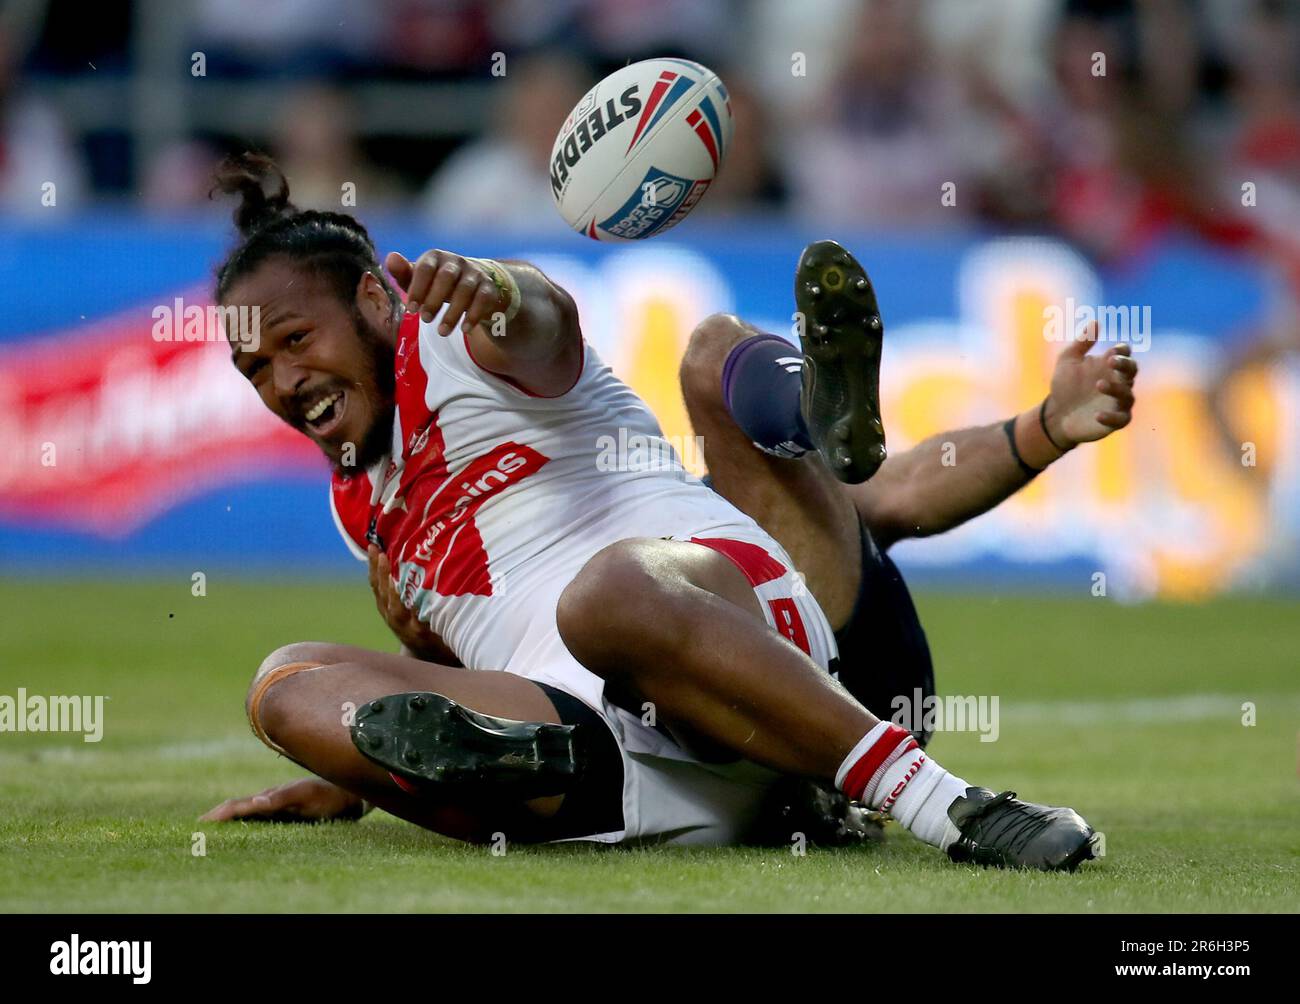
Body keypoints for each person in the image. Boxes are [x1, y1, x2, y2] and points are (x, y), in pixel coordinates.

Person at [201, 153, 1136, 868]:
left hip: (747, 636)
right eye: (254, 370)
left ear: (375, 298)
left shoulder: (461, 339)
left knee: (643, 517)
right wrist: (354, 765)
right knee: (286, 682)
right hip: (618, 760)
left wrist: (498, 289)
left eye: (295, 340)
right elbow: (450, 669)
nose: (283, 383)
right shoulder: (358, 510)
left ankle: (950, 806)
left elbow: (542, 319)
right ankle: (612, 778)